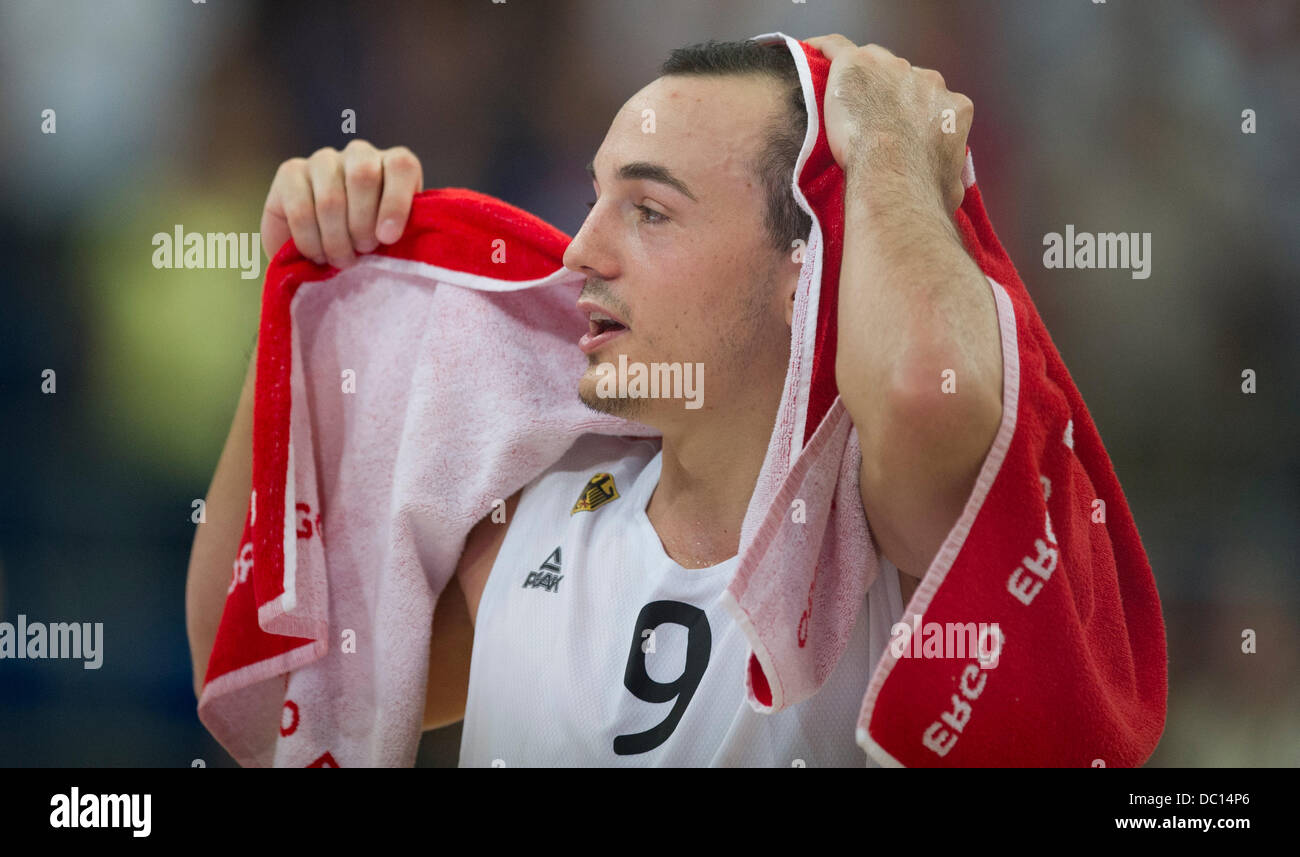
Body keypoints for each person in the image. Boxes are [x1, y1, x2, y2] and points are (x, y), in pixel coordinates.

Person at [187, 35, 1000, 766]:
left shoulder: (884, 535)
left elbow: (929, 392)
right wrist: (300, 304)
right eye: (594, 200)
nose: (581, 251)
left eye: (649, 211)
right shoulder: (524, 517)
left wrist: (888, 140)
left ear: (804, 267)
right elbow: (274, 694)